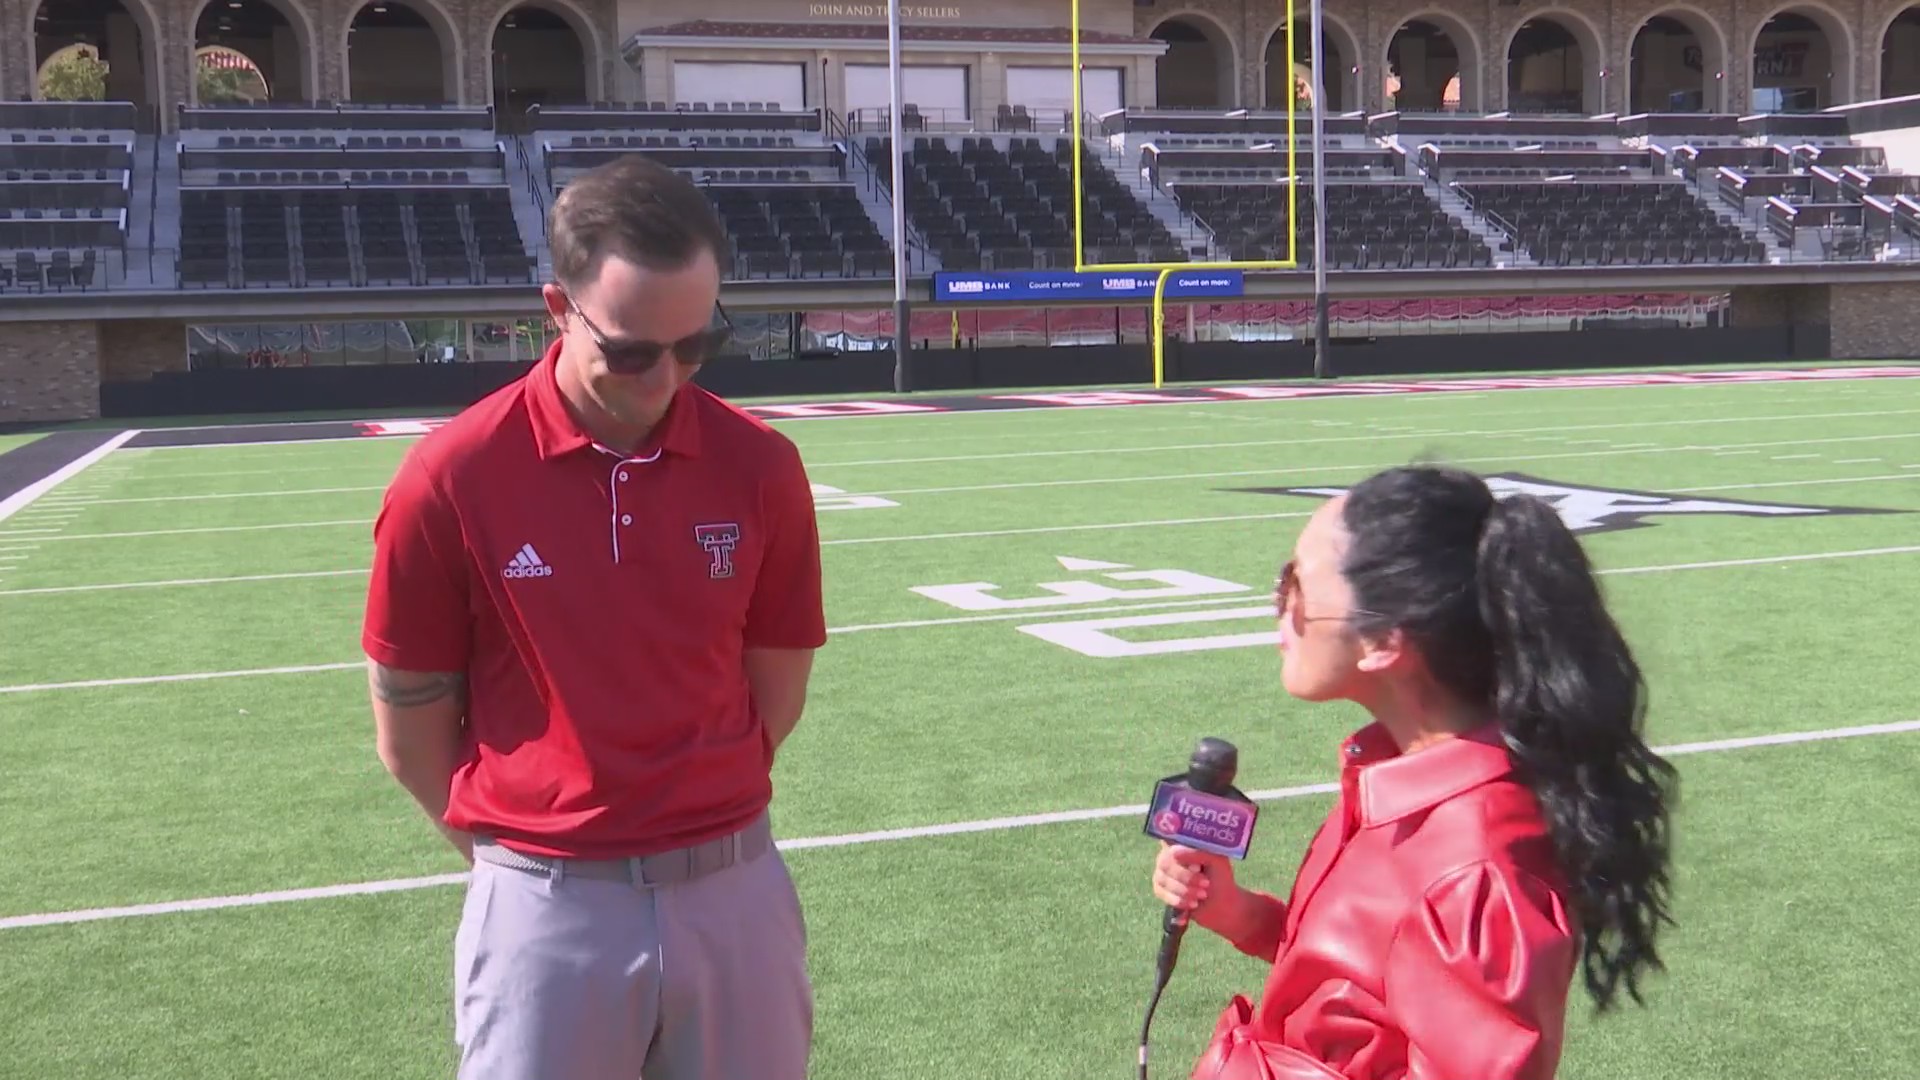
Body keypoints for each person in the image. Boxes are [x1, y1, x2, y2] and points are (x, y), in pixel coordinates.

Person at [360, 154, 826, 1080]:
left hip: (734, 892)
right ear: (555, 308)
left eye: (699, 346)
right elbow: (410, 739)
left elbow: (775, 696)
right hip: (545, 910)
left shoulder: (763, 468)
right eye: (631, 351)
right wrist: (538, 865)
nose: (668, 376)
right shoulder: (449, 480)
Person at [1152, 464, 1678, 1080]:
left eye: (1295, 583)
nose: (1278, 605)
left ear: (1381, 641)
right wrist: (1241, 914)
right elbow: (1364, 980)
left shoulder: (1477, 870)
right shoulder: (1393, 776)